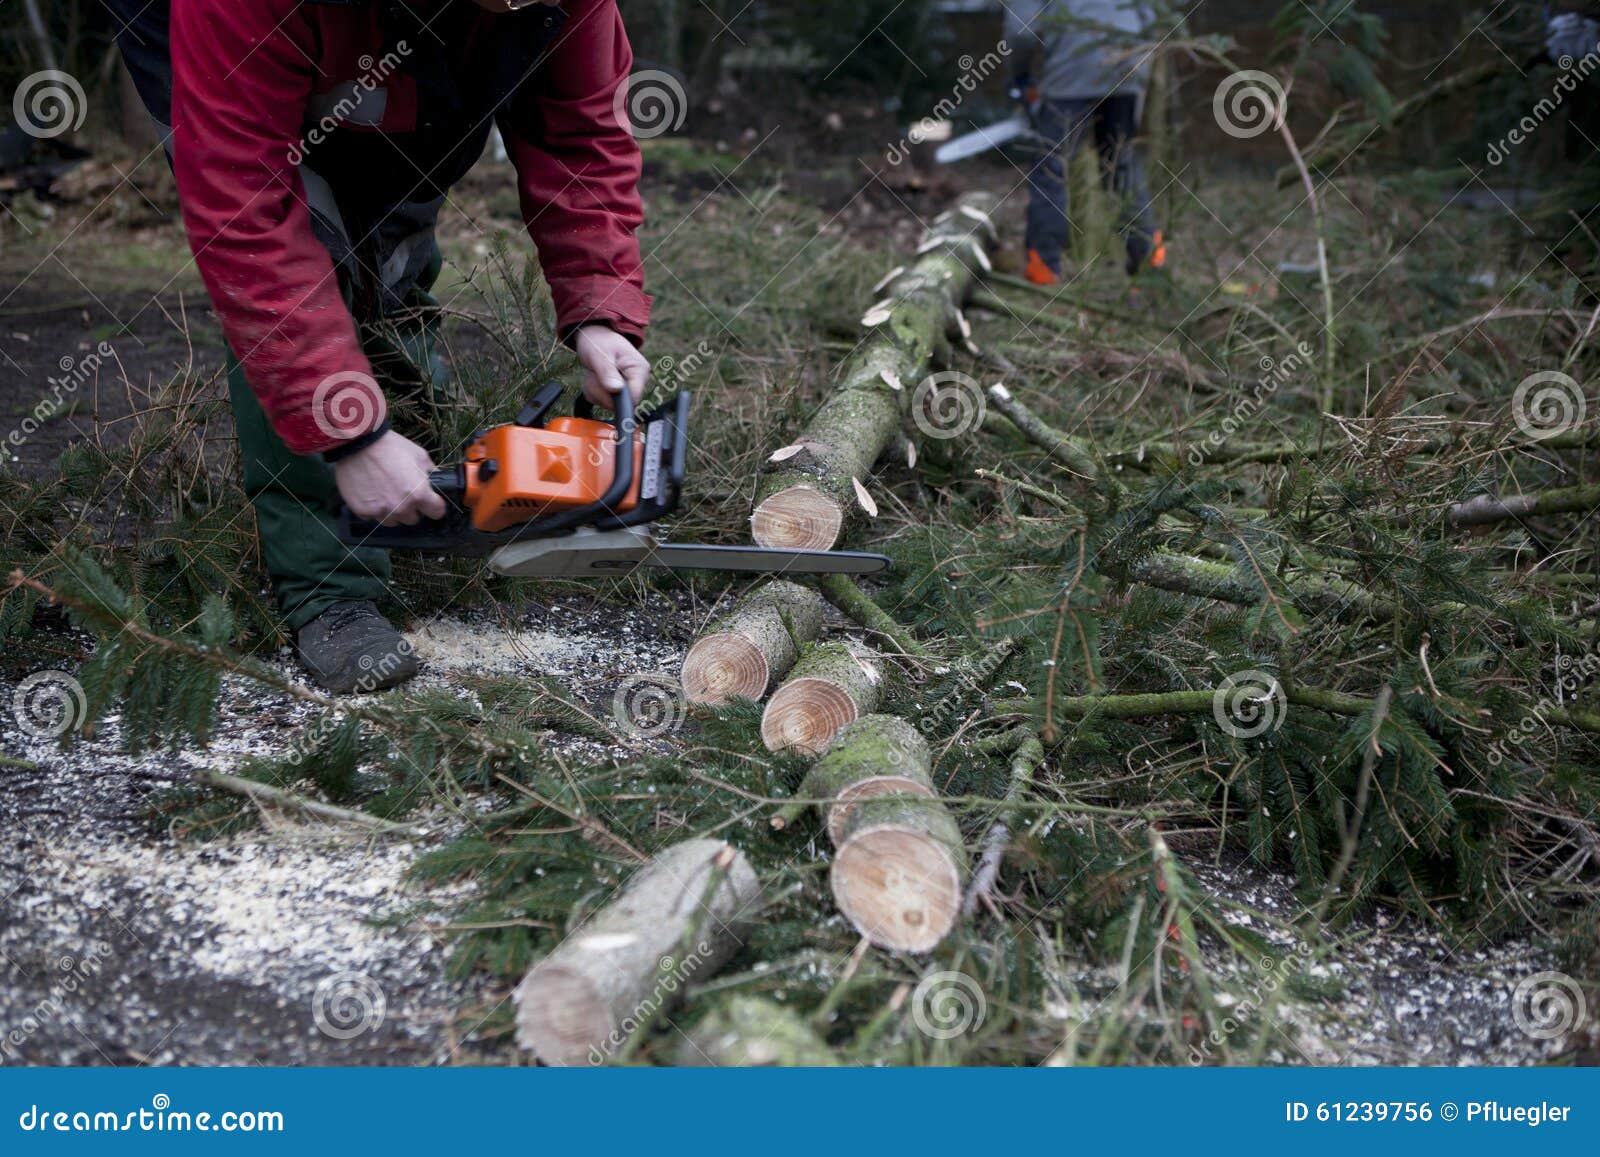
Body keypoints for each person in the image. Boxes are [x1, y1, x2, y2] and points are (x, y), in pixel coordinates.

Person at [108, 0, 652, 693]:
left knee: (390, 243)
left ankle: (411, 485)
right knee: (310, 249)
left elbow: (581, 134)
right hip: (229, 41)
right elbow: (248, 212)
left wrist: (600, 308)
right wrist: (351, 434)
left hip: (401, 48)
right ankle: (328, 590)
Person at [1003, 0, 1166, 285]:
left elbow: (1021, 31)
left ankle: (1044, 267)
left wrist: (1020, 77)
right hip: (1127, 62)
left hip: (1072, 67)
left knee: (1051, 168)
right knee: (1120, 165)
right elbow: (1149, 16)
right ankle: (1149, 261)